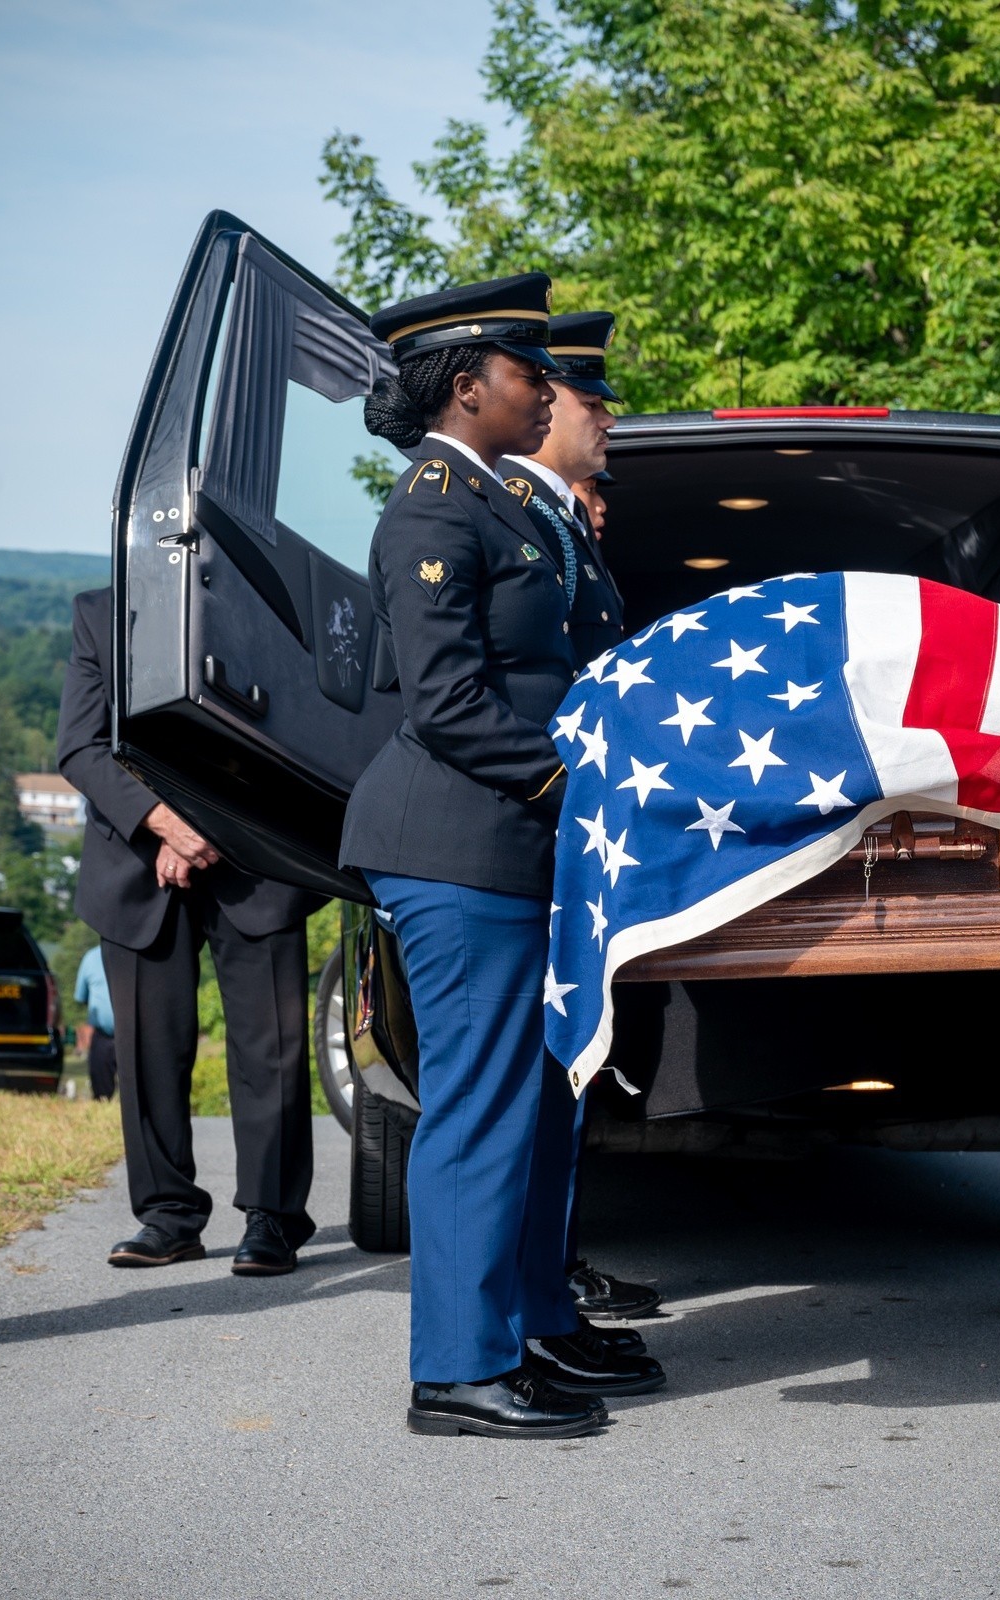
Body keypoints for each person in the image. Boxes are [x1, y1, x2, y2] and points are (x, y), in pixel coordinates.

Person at [340, 273, 665, 1440]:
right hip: (454, 842)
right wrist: (573, 782)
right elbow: (443, 701)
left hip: (509, 846)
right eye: (528, 371)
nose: (548, 388)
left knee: (524, 1102)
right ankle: (456, 1368)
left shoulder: (502, 503)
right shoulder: (431, 505)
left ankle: (520, 1330)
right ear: (467, 386)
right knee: (476, 1106)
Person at [57, 589, 320, 1275]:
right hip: (134, 860)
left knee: (273, 1051)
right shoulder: (99, 613)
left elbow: (294, 730)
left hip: (256, 855)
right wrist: (166, 823)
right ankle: (167, 1215)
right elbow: (81, 746)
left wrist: (207, 824)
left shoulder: (272, 600)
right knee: (147, 1052)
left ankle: (273, 1217)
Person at [498, 311, 662, 1326]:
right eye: (589, 399)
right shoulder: (511, 513)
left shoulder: (553, 521)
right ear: (543, 403)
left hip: (554, 841)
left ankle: (546, 1308)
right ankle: (521, 1319)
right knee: (519, 1102)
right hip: (522, 826)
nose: (606, 417)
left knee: (553, 1091)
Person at [73, 943, 117, 1102]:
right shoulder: (90, 958)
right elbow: (81, 996)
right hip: (102, 1035)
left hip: (134, 1036)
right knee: (101, 1093)